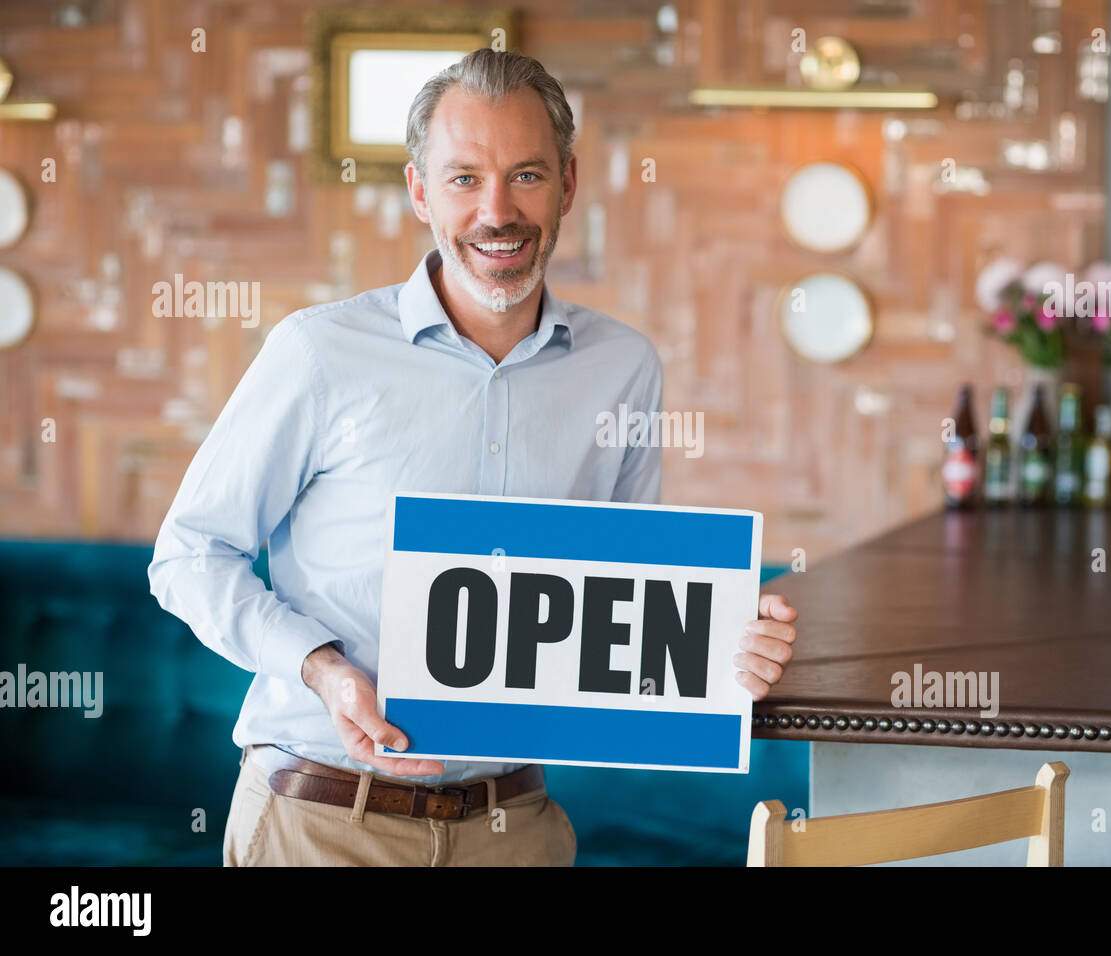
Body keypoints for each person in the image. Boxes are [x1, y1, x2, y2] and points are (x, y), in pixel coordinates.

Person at [147, 48, 799, 867]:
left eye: (525, 175)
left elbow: (625, 601)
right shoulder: (317, 352)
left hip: (516, 829)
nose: (498, 211)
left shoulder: (625, 367)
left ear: (567, 183)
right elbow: (189, 555)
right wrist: (323, 669)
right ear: (420, 192)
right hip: (321, 819)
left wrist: (728, 635)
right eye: (464, 179)